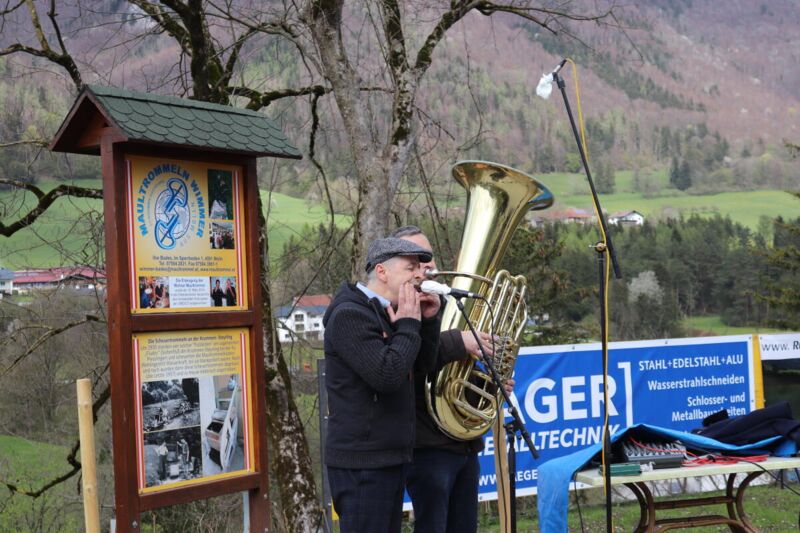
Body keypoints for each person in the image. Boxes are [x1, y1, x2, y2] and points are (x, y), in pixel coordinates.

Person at [322, 237, 442, 533]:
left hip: (388, 457)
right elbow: (387, 375)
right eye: (411, 267)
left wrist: (427, 321)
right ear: (382, 271)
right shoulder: (350, 314)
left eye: (420, 267)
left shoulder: (388, 311)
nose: (420, 274)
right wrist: (409, 325)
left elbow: (419, 368)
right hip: (362, 464)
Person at [392, 225, 505, 533]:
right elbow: (410, 362)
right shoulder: (393, 306)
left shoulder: (445, 303)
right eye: (418, 260)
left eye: (430, 258)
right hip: (426, 448)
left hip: (462, 446)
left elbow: (451, 381)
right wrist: (459, 341)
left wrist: (488, 385)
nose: (429, 266)